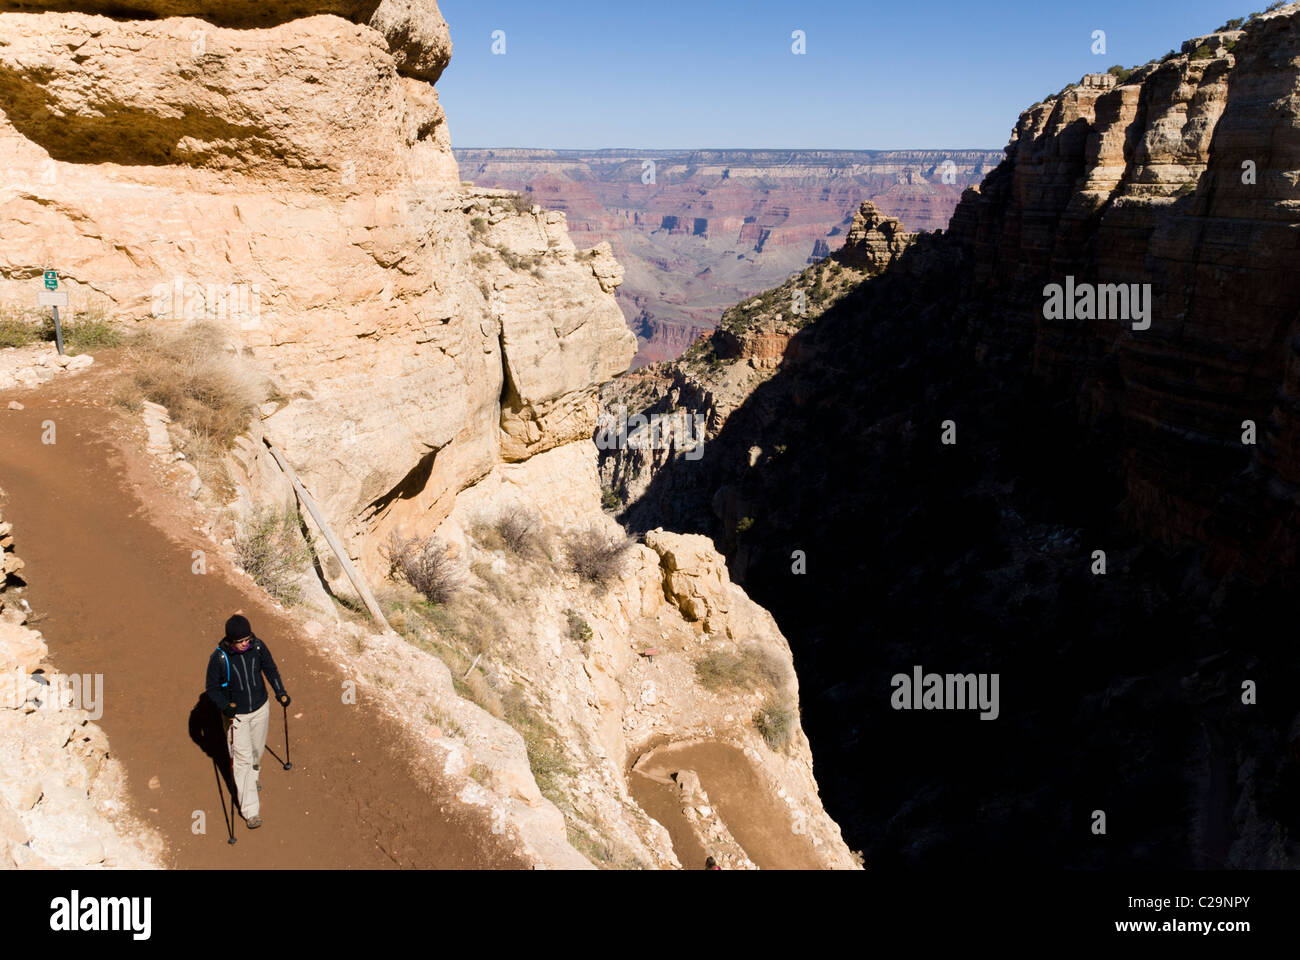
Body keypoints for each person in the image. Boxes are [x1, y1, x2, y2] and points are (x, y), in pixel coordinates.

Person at [205, 614, 290, 829]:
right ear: (230, 641)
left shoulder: (258, 647)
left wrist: (280, 691)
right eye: (240, 641)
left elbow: (270, 669)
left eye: (247, 639)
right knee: (242, 761)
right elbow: (212, 689)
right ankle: (251, 810)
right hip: (237, 717)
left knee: (256, 751)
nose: (245, 644)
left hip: (261, 708)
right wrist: (225, 706)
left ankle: (254, 778)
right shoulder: (219, 658)